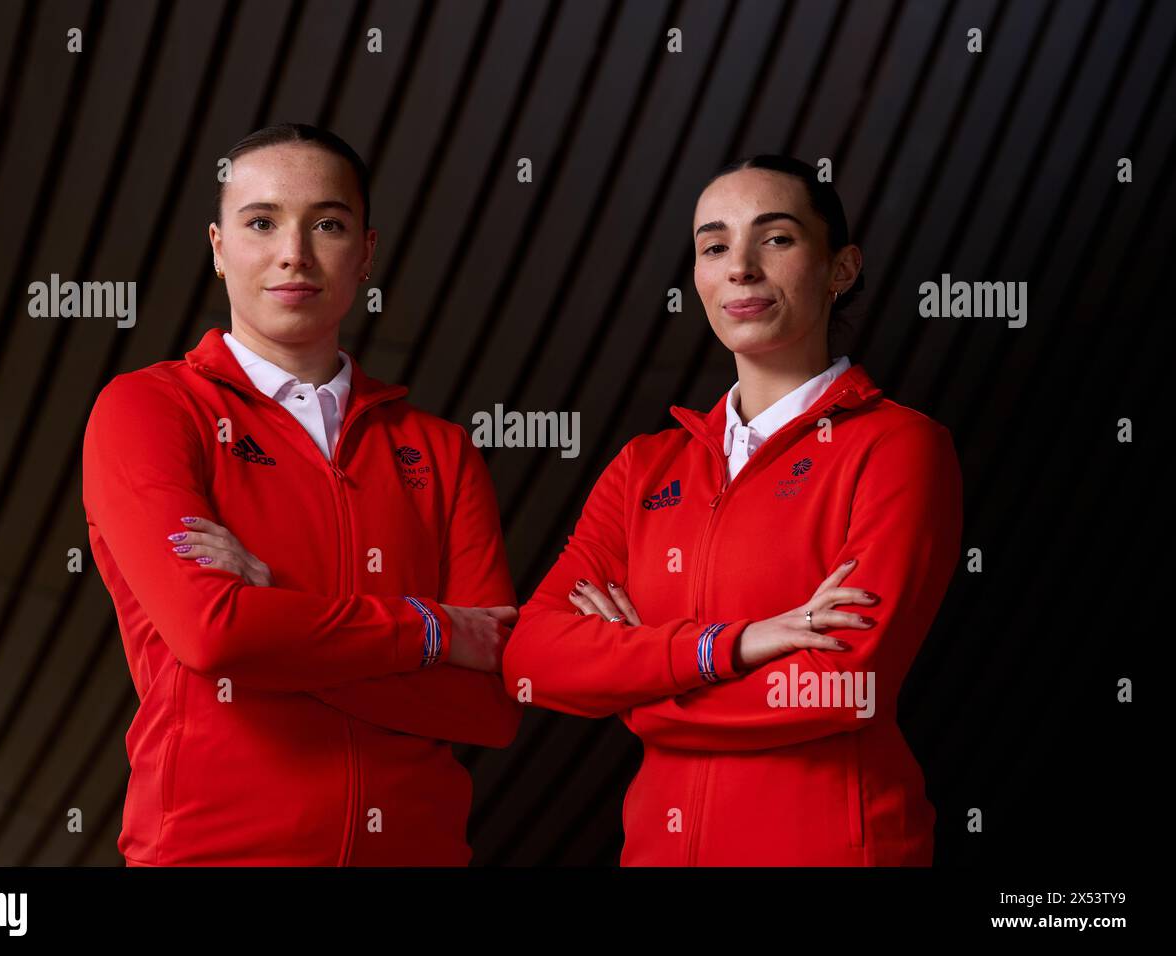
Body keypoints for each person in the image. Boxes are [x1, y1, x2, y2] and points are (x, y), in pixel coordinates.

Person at [502, 155, 963, 866]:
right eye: (714, 245)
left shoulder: (898, 446)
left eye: (775, 239)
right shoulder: (646, 466)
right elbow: (531, 658)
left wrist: (638, 686)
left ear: (840, 269)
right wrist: (726, 648)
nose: (739, 267)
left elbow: (842, 686)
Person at [82, 123, 521, 866]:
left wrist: (273, 604)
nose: (295, 253)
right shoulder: (149, 410)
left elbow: (491, 703)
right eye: (261, 222)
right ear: (219, 249)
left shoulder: (440, 451)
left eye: (327, 224)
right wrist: (434, 633)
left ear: (366, 254)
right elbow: (213, 635)